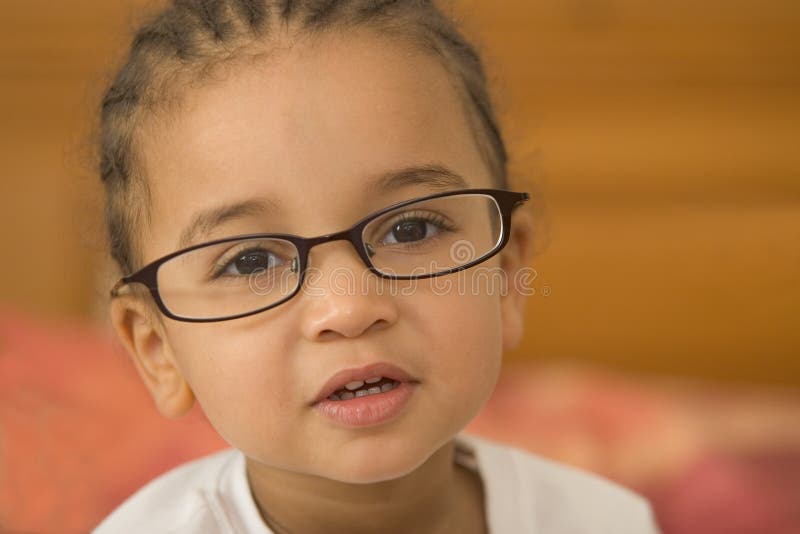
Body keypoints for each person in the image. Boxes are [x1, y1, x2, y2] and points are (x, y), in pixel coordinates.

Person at [93, 1, 660, 532]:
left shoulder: (603, 520)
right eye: (250, 261)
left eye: (410, 229)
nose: (349, 308)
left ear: (506, 274)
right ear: (157, 348)